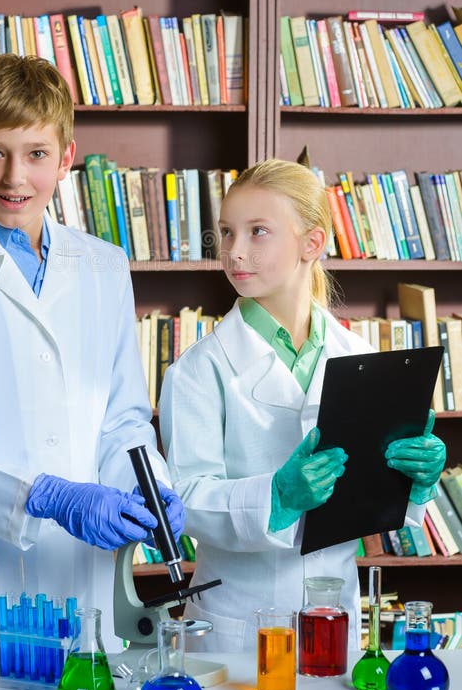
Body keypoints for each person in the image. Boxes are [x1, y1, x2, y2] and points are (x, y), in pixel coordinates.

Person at [0, 54, 184, 653]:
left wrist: (150, 486)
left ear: (67, 158)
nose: (15, 176)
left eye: (37, 154)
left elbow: (122, 417)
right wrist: (42, 495)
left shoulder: (104, 266)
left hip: (82, 573)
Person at [159, 158, 445, 653]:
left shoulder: (359, 358)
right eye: (227, 232)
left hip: (331, 616)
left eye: (258, 232)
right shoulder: (197, 370)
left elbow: (373, 504)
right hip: (238, 629)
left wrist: (415, 481)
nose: (234, 252)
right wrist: (277, 497)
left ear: (311, 244)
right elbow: (183, 500)